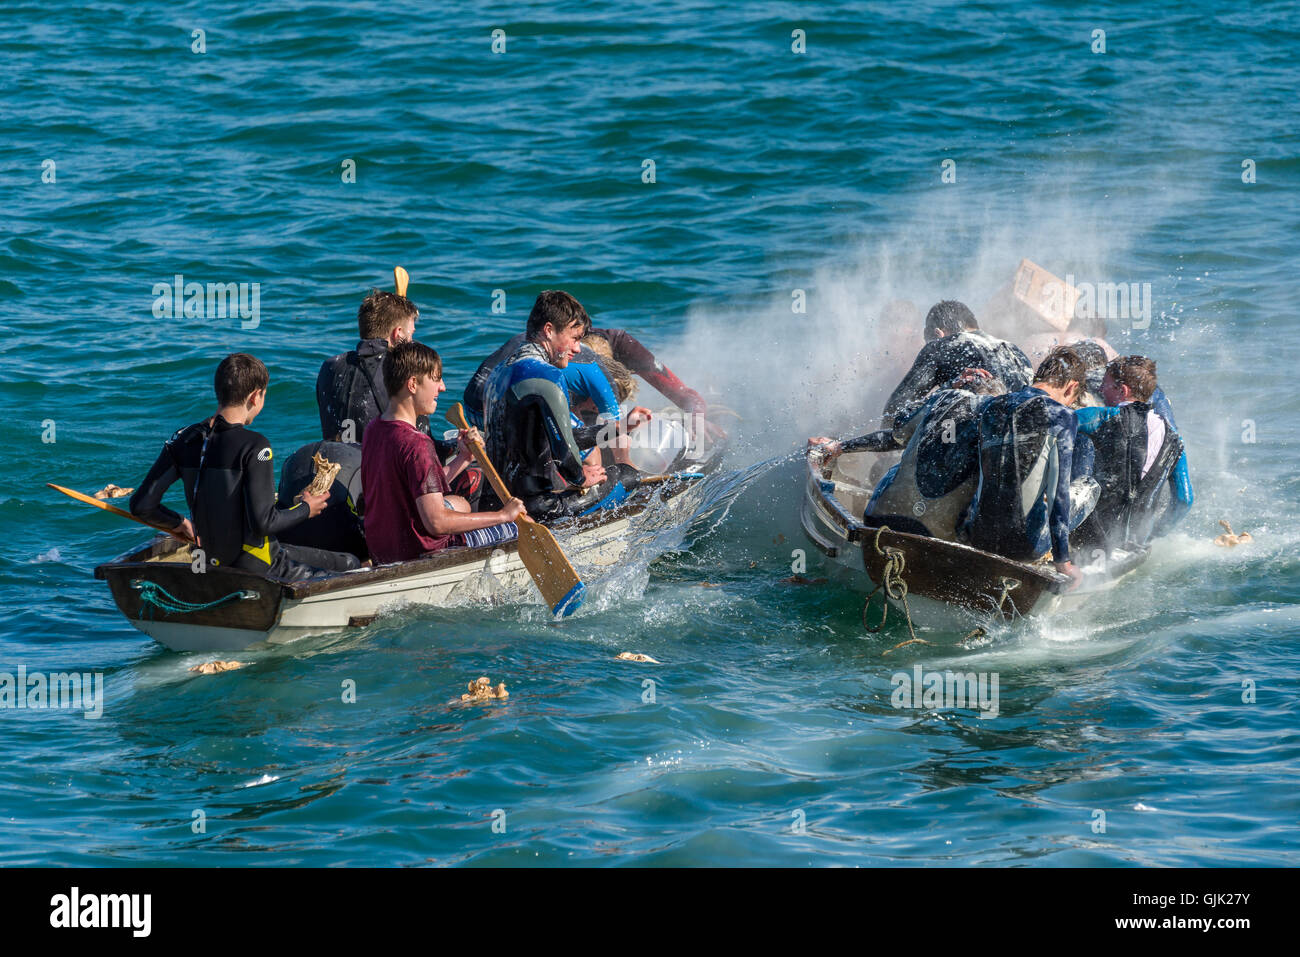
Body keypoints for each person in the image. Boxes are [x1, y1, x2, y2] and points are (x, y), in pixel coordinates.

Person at [130, 354, 360, 582]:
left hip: (210, 561)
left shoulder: (182, 440)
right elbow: (264, 523)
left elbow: (141, 505)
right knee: (350, 564)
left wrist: (179, 522)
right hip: (259, 568)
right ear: (255, 397)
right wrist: (305, 508)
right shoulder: (255, 446)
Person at [360, 341, 525, 565]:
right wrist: (503, 516)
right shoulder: (417, 444)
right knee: (518, 529)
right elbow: (436, 523)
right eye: (436, 379)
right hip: (421, 553)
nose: (443, 387)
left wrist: (464, 458)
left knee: (460, 503)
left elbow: (417, 488)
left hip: (384, 550)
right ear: (412, 384)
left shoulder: (375, 428)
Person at [317, 289, 483, 507]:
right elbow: (424, 454)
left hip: (339, 478)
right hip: (381, 497)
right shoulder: (402, 377)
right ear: (397, 334)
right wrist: (460, 449)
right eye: (411, 334)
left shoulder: (329, 366)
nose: (413, 341)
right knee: (476, 473)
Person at [481, 291, 637, 522]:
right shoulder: (547, 375)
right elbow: (565, 453)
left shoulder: (500, 371)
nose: (576, 349)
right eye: (574, 338)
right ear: (549, 330)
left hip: (496, 501)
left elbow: (559, 438)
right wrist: (581, 479)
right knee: (628, 476)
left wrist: (616, 429)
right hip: (539, 509)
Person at [810, 371, 1006, 541]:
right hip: (936, 537)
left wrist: (841, 446)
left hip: (880, 518)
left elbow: (898, 431)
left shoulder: (944, 399)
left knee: (901, 466)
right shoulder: (994, 422)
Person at [961, 347, 1099, 588]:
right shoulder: (1062, 416)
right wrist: (1062, 562)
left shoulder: (992, 407)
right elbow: (1059, 494)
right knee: (1089, 485)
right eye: (1072, 400)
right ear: (1071, 388)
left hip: (979, 538)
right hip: (1024, 544)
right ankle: (1069, 553)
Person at [464, 321, 719, 438]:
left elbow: (683, 393)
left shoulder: (623, 345)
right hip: (486, 406)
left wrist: (697, 417)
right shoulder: (554, 353)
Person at [1072, 356, 1191, 551]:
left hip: (1090, 541)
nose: (1101, 390)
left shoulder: (1100, 417)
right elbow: (1184, 500)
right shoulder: (1175, 439)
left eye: (1106, 385)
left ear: (1123, 390)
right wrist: (1157, 532)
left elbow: (1051, 424)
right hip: (1136, 542)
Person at [881, 300, 1033, 427]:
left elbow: (893, 413)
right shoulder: (1015, 351)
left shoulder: (941, 346)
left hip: (979, 444)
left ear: (938, 334)